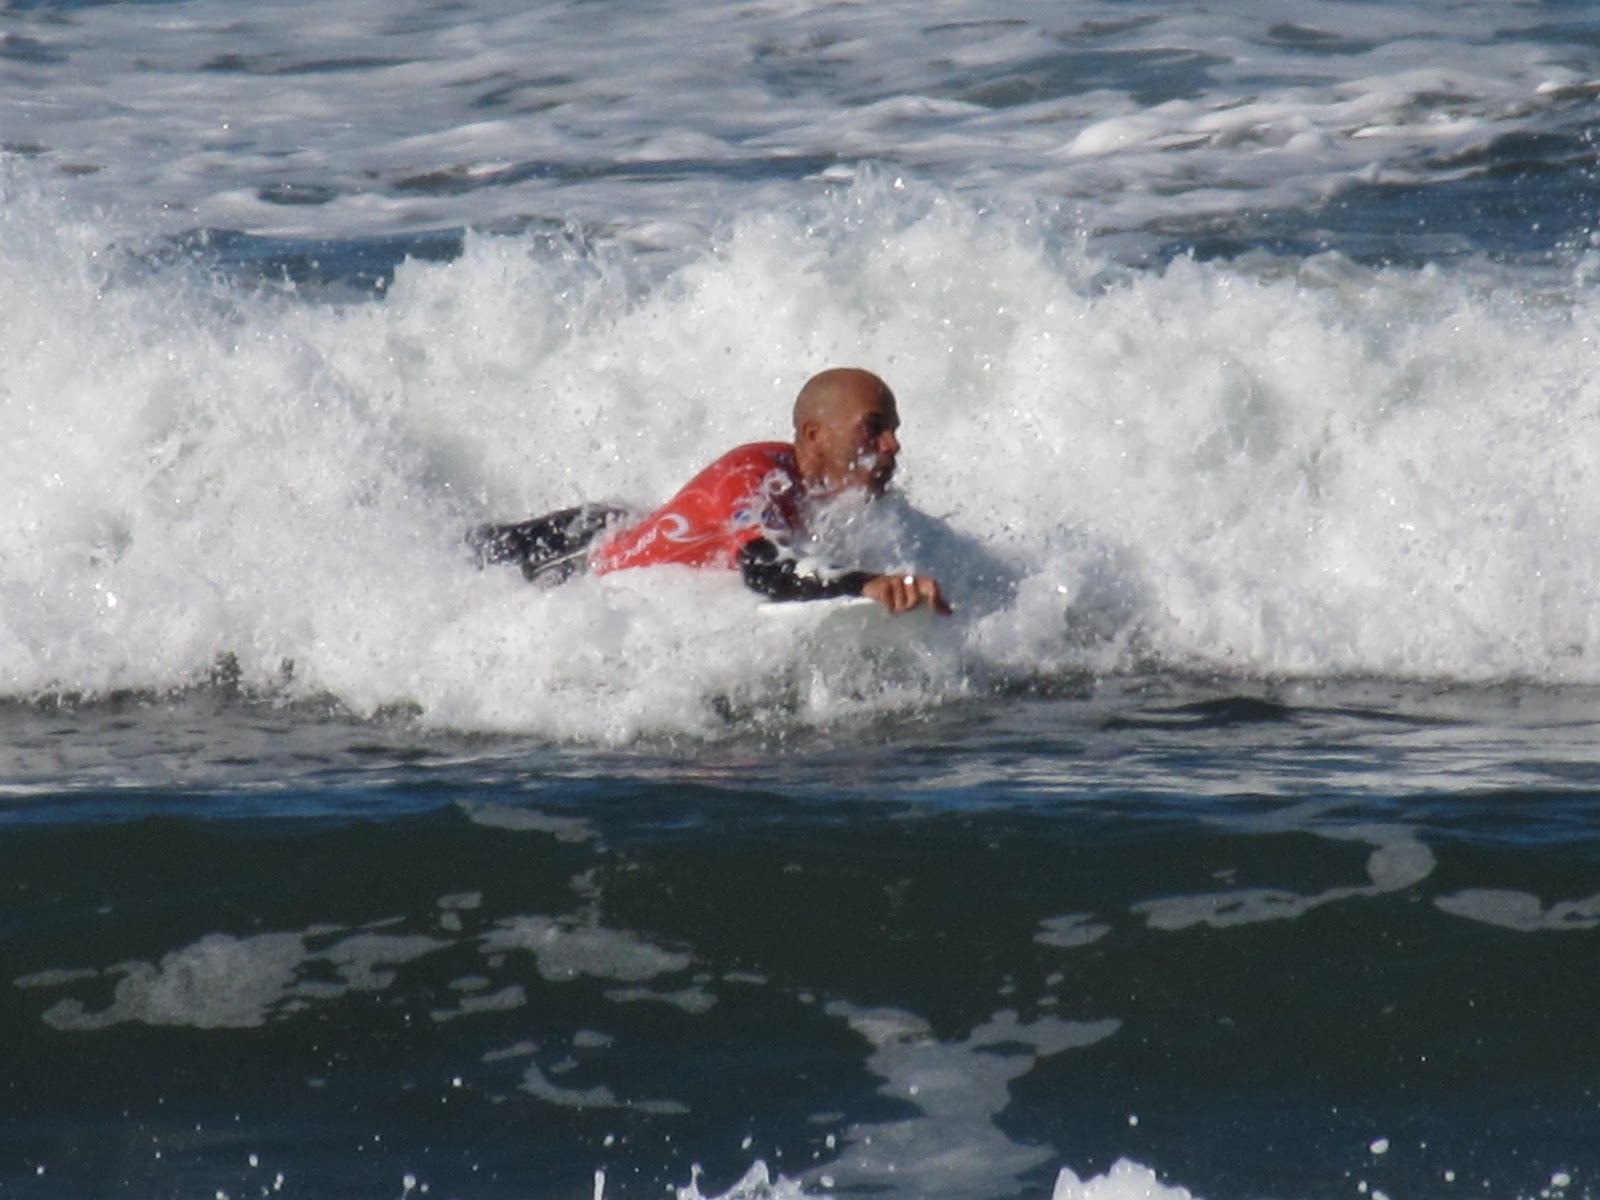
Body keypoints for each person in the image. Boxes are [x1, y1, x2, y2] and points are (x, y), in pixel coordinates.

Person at [469, 367, 950, 615]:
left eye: (892, 429)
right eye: (873, 429)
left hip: (624, 525)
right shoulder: (756, 477)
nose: (891, 445)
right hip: (582, 582)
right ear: (814, 436)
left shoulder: (831, 494)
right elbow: (766, 571)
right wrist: (863, 583)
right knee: (471, 556)